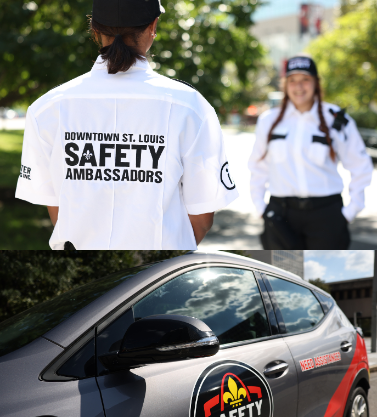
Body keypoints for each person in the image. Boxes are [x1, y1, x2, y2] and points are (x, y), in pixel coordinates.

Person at [15, 0, 238, 249]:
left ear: (95, 30)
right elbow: (202, 216)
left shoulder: (46, 108)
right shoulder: (191, 107)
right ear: (153, 26)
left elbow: (57, 207)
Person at [248, 55, 373, 249]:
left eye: (305, 79)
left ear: (316, 83)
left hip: (326, 215)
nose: (299, 86)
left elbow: (360, 165)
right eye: (292, 80)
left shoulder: (336, 119)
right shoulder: (268, 120)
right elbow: (258, 166)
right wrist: (260, 208)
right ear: (285, 85)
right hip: (281, 215)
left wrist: (350, 211)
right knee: (279, 265)